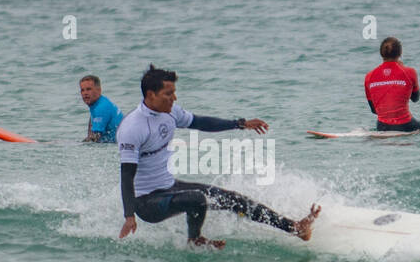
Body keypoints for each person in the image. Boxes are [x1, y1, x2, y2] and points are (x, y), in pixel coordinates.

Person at [117, 65, 320, 249]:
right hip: (145, 202)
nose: (174, 98)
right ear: (151, 95)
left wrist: (240, 123)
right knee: (196, 198)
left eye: (174, 93)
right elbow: (126, 176)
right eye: (168, 94)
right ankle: (195, 239)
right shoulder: (132, 128)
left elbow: (201, 122)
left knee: (233, 198)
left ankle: (294, 228)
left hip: (168, 186)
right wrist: (129, 216)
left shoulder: (170, 112)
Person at [364, 37, 420, 131]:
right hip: (406, 125)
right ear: (400, 53)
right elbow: (415, 99)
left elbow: (374, 110)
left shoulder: (369, 76)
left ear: (382, 54)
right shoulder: (409, 72)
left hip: (381, 126)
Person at [79, 75, 123, 142]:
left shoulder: (101, 108)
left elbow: (94, 139)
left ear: (99, 90)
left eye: (89, 89)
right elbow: (91, 136)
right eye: (82, 90)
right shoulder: (97, 105)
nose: (85, 93)